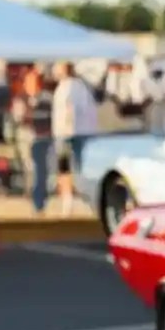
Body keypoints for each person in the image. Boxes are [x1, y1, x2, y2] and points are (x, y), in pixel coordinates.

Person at [51, 61, 99, 216]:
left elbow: (69, 109)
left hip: (68, 133)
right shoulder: (81, 86)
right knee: (79, 167)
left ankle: (70, 201)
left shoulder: (68, 87)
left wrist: (66, 129)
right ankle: (84, 200)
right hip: (82, 132)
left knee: (66, 168)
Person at [9, 69, 54, 214]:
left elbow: (52, 117)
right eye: (30, 81)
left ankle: (39, 201)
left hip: (44, 139)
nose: (33, 84)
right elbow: (18, 119)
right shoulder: (20, 98)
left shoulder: (47, 98)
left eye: (36, 81)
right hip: (27, 140)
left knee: (41, 171)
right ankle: (34, 198)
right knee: (31, 170)